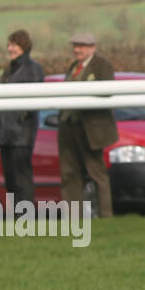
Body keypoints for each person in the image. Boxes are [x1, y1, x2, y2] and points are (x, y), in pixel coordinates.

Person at [57, 32, 118, 217]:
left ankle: (105, 215)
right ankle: (73, 216)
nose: (77, 49)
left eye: (82, 46)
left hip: (91, 128)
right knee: (69, 173)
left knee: (96, 172)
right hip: (69, 126)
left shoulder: (102, 65)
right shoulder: (73, 67)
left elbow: (107, 92)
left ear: (92, 47)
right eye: (75, 45)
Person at [0, 29, 45, 209]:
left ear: (23, 46)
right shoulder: (11, 69)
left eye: (13, 45)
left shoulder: (32, 68)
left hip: (21, 133)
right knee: (10, 177)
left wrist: (19, 118)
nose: (10, 49)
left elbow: (32, 101)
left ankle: (25, 217)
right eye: (9, 45)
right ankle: (15, 216)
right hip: (6, 132)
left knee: (22, 177)